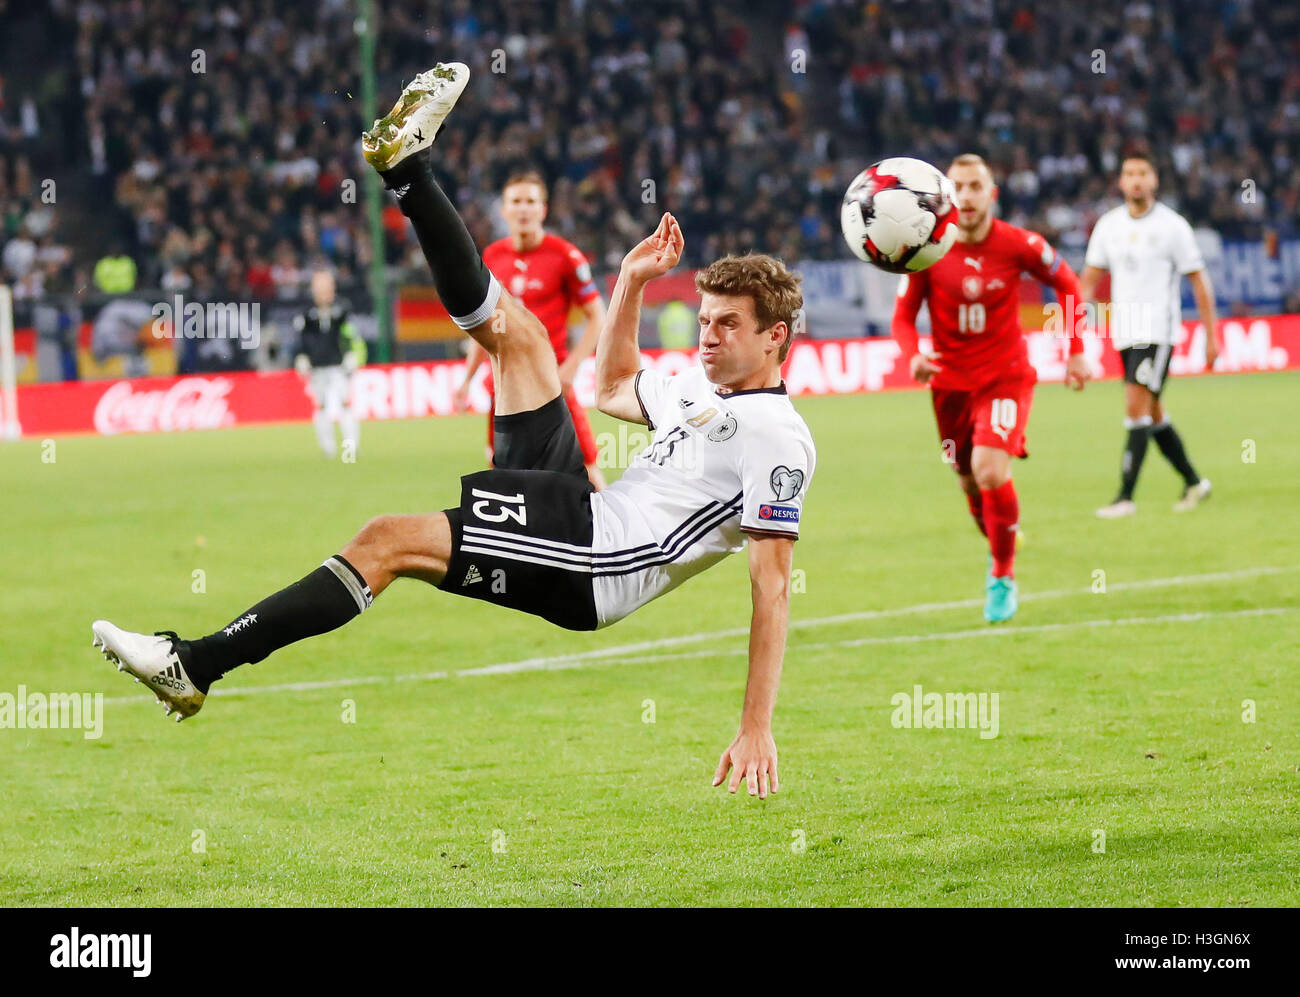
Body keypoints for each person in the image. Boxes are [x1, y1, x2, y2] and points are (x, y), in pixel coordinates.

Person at [92, 63, 815, 800]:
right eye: (705, 321)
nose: (708, 338)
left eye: (729, 325)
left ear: (775, 337)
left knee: (386, 539)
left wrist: (756, 723)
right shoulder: (698, 385)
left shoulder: (778, 437)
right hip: (587, 510)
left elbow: (774, 586)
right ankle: (408, 172)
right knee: (522, 336)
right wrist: (631, 281)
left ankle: (195, 663)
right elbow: (609, 386)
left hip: (597, 560)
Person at [892, 154, 1092, 623]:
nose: (967, 195)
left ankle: (1002, 574)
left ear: (992, 193)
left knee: (988, 469)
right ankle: (1002, 537)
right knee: (968, 479)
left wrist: (1077, 348)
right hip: (949, 384)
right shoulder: (928, 250)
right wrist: (914, 357)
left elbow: (1067, 284)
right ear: (946, 195)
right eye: (958, 187)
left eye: (976, 186)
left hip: (1005, 376)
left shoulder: (1020, 244)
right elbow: (902, 319)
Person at [1079, 153, 1218, 518]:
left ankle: (1125, 497)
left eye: (1143, 172)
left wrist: (1211, 336)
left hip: (1156, 331)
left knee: (1134, 405)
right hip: (1124, 332)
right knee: (1152, 412)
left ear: (1154, 180)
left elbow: (1199, 282)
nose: (1136, 179)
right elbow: (1088, 281)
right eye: (1129, 173)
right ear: (1121, 182)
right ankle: (1194, 482)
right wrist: (1074, 331)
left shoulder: (1173, 226)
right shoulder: (1108, 226)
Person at [454, 171, 608, 489]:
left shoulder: (565, 256)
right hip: (504, 384)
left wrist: (570, 367)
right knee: (504, 474)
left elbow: (598, 316)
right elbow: (481, 326)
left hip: (552, 382)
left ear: (543, 210)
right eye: (516, 202)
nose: (523, 209)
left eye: (530, 202)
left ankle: (617, 539)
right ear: (504, 210)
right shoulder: (492, 257)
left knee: (587, 469)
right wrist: (467, 379)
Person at [293, 267, 365, 459]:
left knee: (345, 403)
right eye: (321, 288)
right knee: (321, 406)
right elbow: (300, 340)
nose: (325, 293)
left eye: (328, 288)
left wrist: (351, 354)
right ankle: (328, 449)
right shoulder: (307, 313)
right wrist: (301, 357)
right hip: (317, 368)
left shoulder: (342, 309)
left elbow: (350, 334)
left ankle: (351, 446)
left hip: (338, 366)